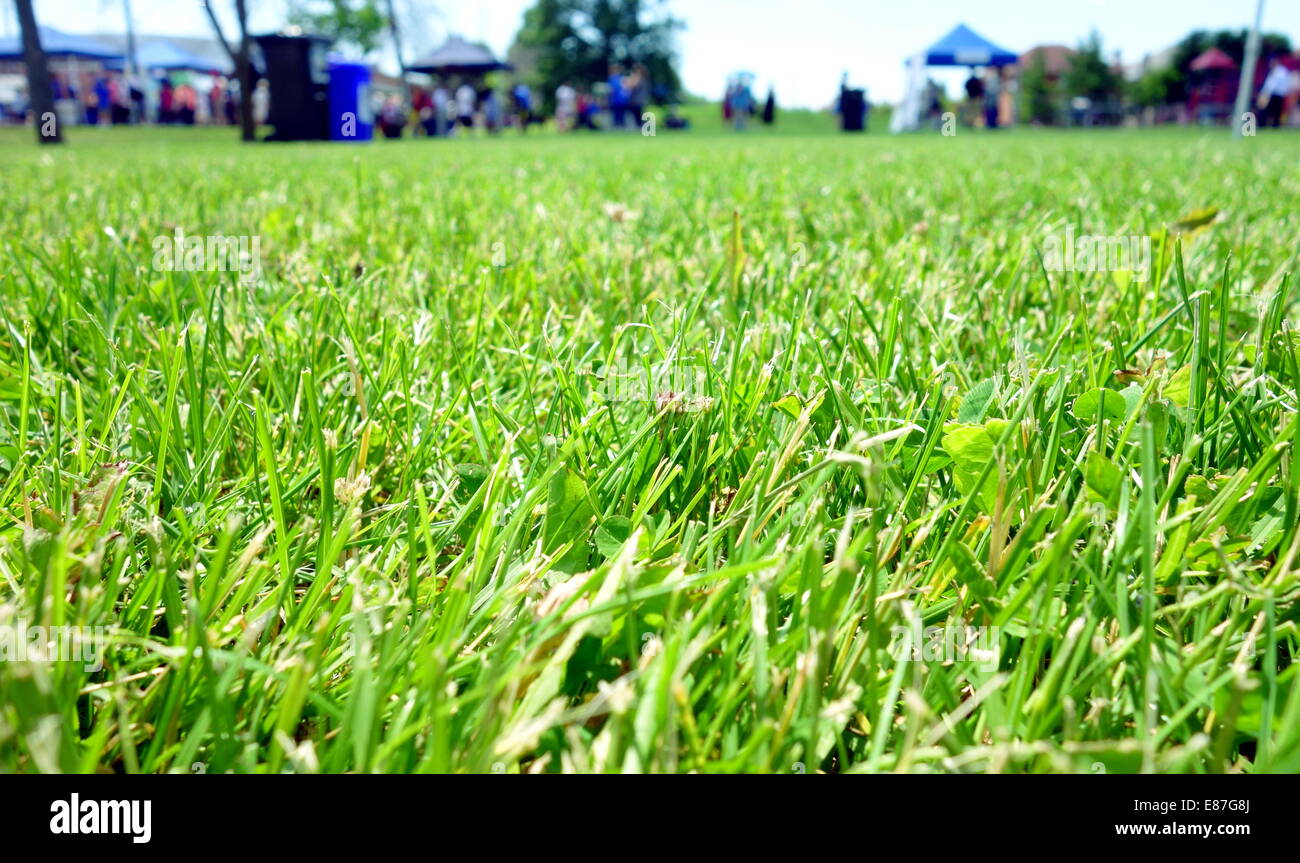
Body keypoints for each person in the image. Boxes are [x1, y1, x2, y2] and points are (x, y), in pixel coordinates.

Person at [1259, 57, 1291, 127]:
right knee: (1274, 111)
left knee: (1270, 111)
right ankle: (1270, 125)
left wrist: (1266, 93)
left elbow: (1273, 84)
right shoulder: (1277, 71)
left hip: (1275, 94)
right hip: (1276, 94)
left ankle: (1269, 125)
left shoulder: (1280, 71)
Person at [607, 63, 628, 129]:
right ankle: (617, 125)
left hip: (621, 99)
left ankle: (621, 125)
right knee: (616, 114)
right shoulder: (611, 78)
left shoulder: (622, 78)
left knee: (621, 114)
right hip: (615, 99)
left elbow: (625, 88)